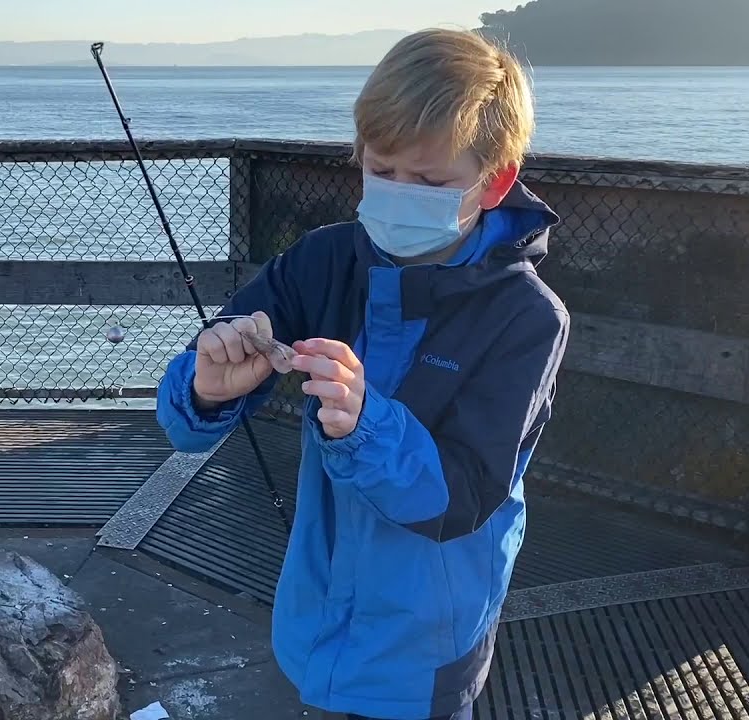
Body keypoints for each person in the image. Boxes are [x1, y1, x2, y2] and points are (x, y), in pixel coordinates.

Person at [154, 27, 570, 720]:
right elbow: (185, 424)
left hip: (426, 647)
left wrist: (364, 422)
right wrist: (204, 388)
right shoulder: (323, 261)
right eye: (381, 169)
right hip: (314, 613)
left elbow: (462, 497)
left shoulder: (526, 318)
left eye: (430, 182)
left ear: (494, 181)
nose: (400, 193)